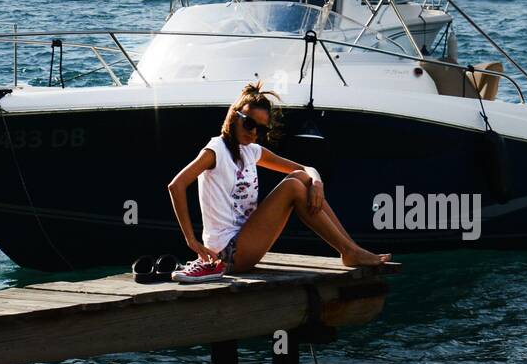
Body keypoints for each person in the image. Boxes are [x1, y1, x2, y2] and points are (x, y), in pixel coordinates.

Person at [166, 81, 389, 282]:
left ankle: (350, 249)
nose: (254, 133)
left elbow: (305, 169)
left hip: (247, 242)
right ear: (234, 117)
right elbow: (176, 185)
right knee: (293, 185)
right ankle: (350, 251)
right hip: (226, 254)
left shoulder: (251, 152)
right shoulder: (215, 150)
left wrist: (317, 181)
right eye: (249, 124)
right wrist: (191, 241)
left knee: (302, 178)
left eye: (261, 129)